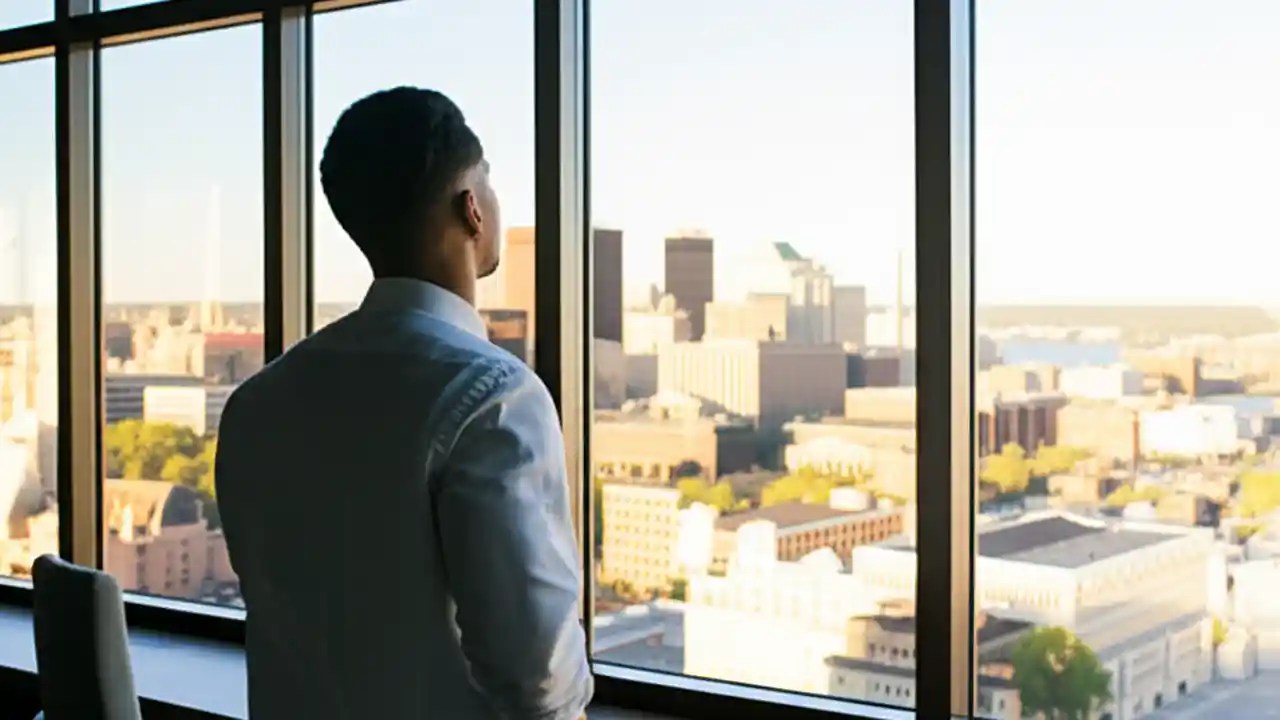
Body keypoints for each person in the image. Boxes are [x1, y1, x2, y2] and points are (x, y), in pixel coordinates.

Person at [215, 87, 592, 720]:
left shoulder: (257, 401)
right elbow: (537, 675)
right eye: (490, 185)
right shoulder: (494, 397)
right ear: (472, 209)